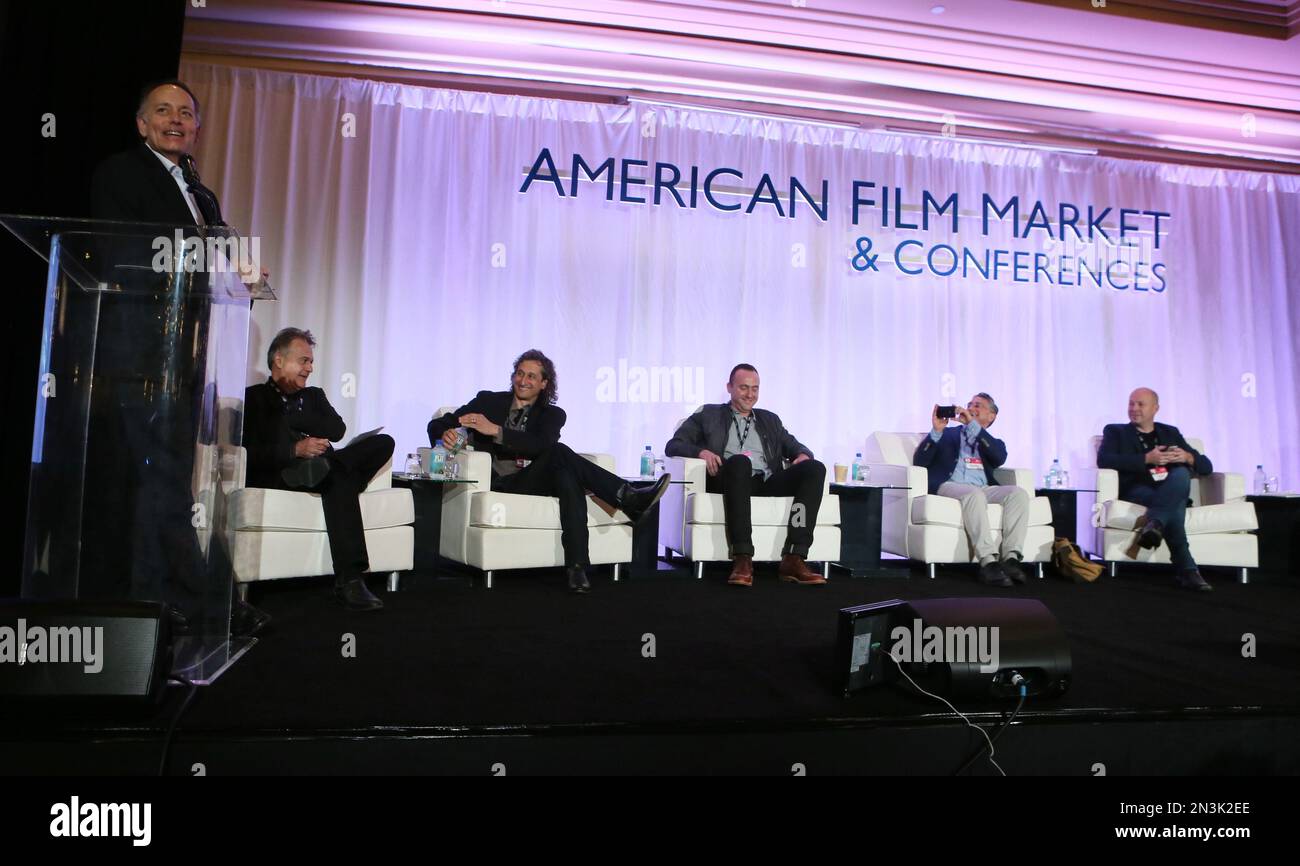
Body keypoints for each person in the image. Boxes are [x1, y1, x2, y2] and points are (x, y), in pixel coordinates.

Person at [89, 79, 268, 637]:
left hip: (186, 353)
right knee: (156, 477)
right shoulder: (121, 173)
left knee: (167, 479)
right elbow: (124, 253)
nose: (176, 119)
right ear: (141, 124)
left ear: (196, 127)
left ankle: (167, 605)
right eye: (162, 110)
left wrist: (240, 274)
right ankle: (182, 600)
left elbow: (208, 260)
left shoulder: (202, 192)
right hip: (140, 351)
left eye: (186, 112)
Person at [427, 350, 671, 593]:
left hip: (537, 480)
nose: (523, 381)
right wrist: (443, 435)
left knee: (564, 471)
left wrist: (496, 431)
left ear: (544, 383)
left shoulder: (552, 414)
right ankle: (624, 500)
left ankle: (577, 566)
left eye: (532, 376)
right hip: (504, 483)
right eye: (520, 374)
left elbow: (541, 445)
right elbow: (438, 423)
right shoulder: (488, 402)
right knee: (563, 462)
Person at [244, 329, 395, 610]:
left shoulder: (313, 396)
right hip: (285, 473)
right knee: (339, 478)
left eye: (311, 362)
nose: (310, 368)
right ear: (279, 360)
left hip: (324, 467)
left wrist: (299, 410)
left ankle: (329, 469)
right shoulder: (253, 399)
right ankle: (350, 580)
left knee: (383, 442)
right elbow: (247, 451)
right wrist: (294, 450)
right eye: (304, 361)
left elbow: (337, 430)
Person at [664, 364, 827, 587]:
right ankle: (742, 558)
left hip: (766, 481)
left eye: (755, 389)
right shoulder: (708, 414)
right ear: (729, 387)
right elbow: (674, 444)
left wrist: (803, 455)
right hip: (729, 477)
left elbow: (796, 446)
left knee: (815, 468)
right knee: (740, 461)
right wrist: (700, 451)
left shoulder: (770, 420)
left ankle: (794, 557)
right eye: (743, 388)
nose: (750, 394)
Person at [1097, 387, 1213, 591]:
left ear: (1155, 408)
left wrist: (1188, 457)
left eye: (1140, 404)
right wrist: (1146, 459)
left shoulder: (1170, 432)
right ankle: (1187, 570)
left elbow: (1207, 467)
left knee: (1181, 473)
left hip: (1169, 488)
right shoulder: (1115, 431)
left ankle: (1155, 525)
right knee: (1174, 508)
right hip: (1137, 490)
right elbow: (1104, 459)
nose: (1134, 408)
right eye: (1131, 403)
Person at [912, 393, 1030, 587]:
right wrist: (936, 431)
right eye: (970, 404)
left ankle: (1011, 559)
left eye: (978, 405)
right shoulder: (948, 434)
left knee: (1018, 493)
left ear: (991, 416)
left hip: (983, 488)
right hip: (950, 485)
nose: (971, 408)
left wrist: (973, 427)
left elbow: (999, 457)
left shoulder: (993, 442)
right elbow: (920, 462)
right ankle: (988, 562)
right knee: (973, 494)